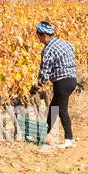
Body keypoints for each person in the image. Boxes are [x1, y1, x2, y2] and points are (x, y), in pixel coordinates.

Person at [32, 21, 77, 150]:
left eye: (38, 35)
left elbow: (44, 73)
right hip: (71, 79)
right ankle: (43, 135)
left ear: (44, 35)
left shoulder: (48, 50)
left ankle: (69, 139)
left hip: (62, 82)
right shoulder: (65, 43)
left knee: (62, 110)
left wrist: (37, 86)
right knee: (54, 108)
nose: (38, 38)